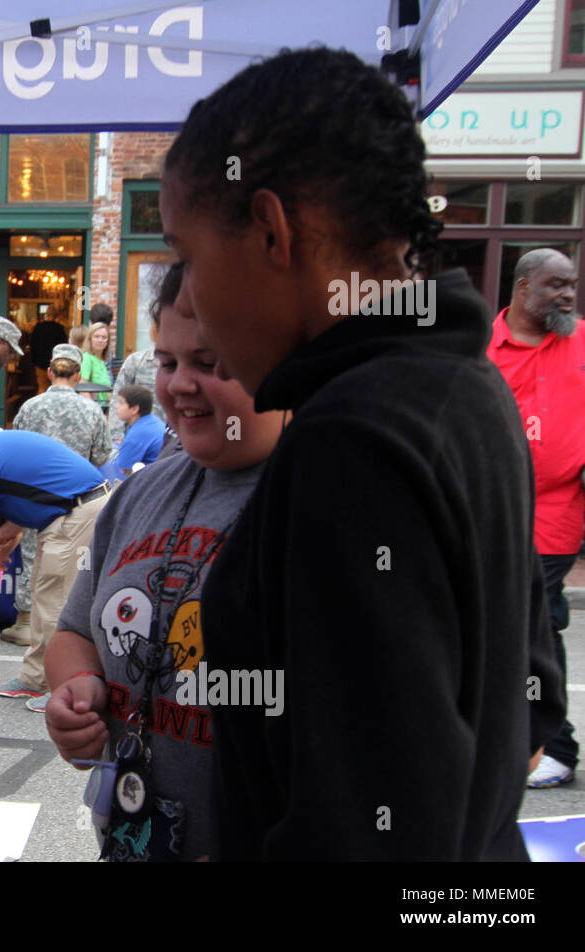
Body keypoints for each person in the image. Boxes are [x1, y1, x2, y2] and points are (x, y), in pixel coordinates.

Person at [161, 47, 566, 859]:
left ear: (272, 231)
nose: (192, 297)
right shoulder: (467, 387)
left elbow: (368, 826)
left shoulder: (352, 440)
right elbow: (536, 692)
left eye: (190, 258)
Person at [44, 299, 284, 861]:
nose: (180, 385)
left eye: (209, 361)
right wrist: (74, 695)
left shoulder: (336, 502)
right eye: (168, 362)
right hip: (132, 831)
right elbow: (74, 631)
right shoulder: (139, 492)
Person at [487, 247, 582, 789]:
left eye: (571, 285)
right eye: (556, 285)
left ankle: (556, 746)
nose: (568, 294)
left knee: (538, 626)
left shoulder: (583, 342)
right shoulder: (481, 350)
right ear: (523, 289)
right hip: (490, 513)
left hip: (553, 517)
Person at [0, 430, 109, 711]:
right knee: (43, 597)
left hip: (77, 511)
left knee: (56, 603)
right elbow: (29, 491)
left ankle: (64, 688)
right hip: (64, 512)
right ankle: (34, 679)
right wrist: (8, 537)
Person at [6, 343, 114, 659]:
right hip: (75, 499)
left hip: (33, 494)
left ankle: (25, 622)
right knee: (68, 568)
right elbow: (102, 456)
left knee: (31, 555)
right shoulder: (92, 411)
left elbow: (18, 449)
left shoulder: (30, 407)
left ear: (50, 371)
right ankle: (64, 627)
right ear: (78, 375)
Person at [109, 273, 175, 447]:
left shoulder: (184, 366)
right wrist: (116, 436)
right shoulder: (137, 362)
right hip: (139, 439)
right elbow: (118, 396)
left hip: (173, 439)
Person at [112, 386, 166, 477]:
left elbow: (121, 472)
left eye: (121, 403)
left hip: (155, 477)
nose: (116, 406)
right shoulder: (152, 421)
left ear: (134, 409)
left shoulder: (138, 433)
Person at [79, 323, 113, 409]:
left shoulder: (102, 361)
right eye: (96, 336)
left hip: (104, 408)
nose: (100, 340)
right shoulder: (87, 358)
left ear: (107, 341)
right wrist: (94, 410)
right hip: (93, 410)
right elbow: (82, 387)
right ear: (90, 339)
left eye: (104, 337)